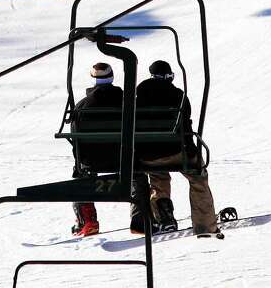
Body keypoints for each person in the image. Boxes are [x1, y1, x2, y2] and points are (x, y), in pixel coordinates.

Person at [136, 60, 223, 239]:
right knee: (197, 176)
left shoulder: (138, 98)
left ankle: (164, 215)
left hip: (148, 156)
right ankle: (204, 224)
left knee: (158, 174)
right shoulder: (179, 96)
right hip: (178, 153)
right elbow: (186, 125)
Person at [69, 62, 151, 237]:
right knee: (138, 174)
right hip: (125, 157)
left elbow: (76, 139)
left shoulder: (83, 105)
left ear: (93, 79)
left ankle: (87, 220)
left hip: (92, 160)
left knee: (80, 173)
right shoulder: (128, 102)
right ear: (112, 78)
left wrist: (81, 158)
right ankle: (140, 220)